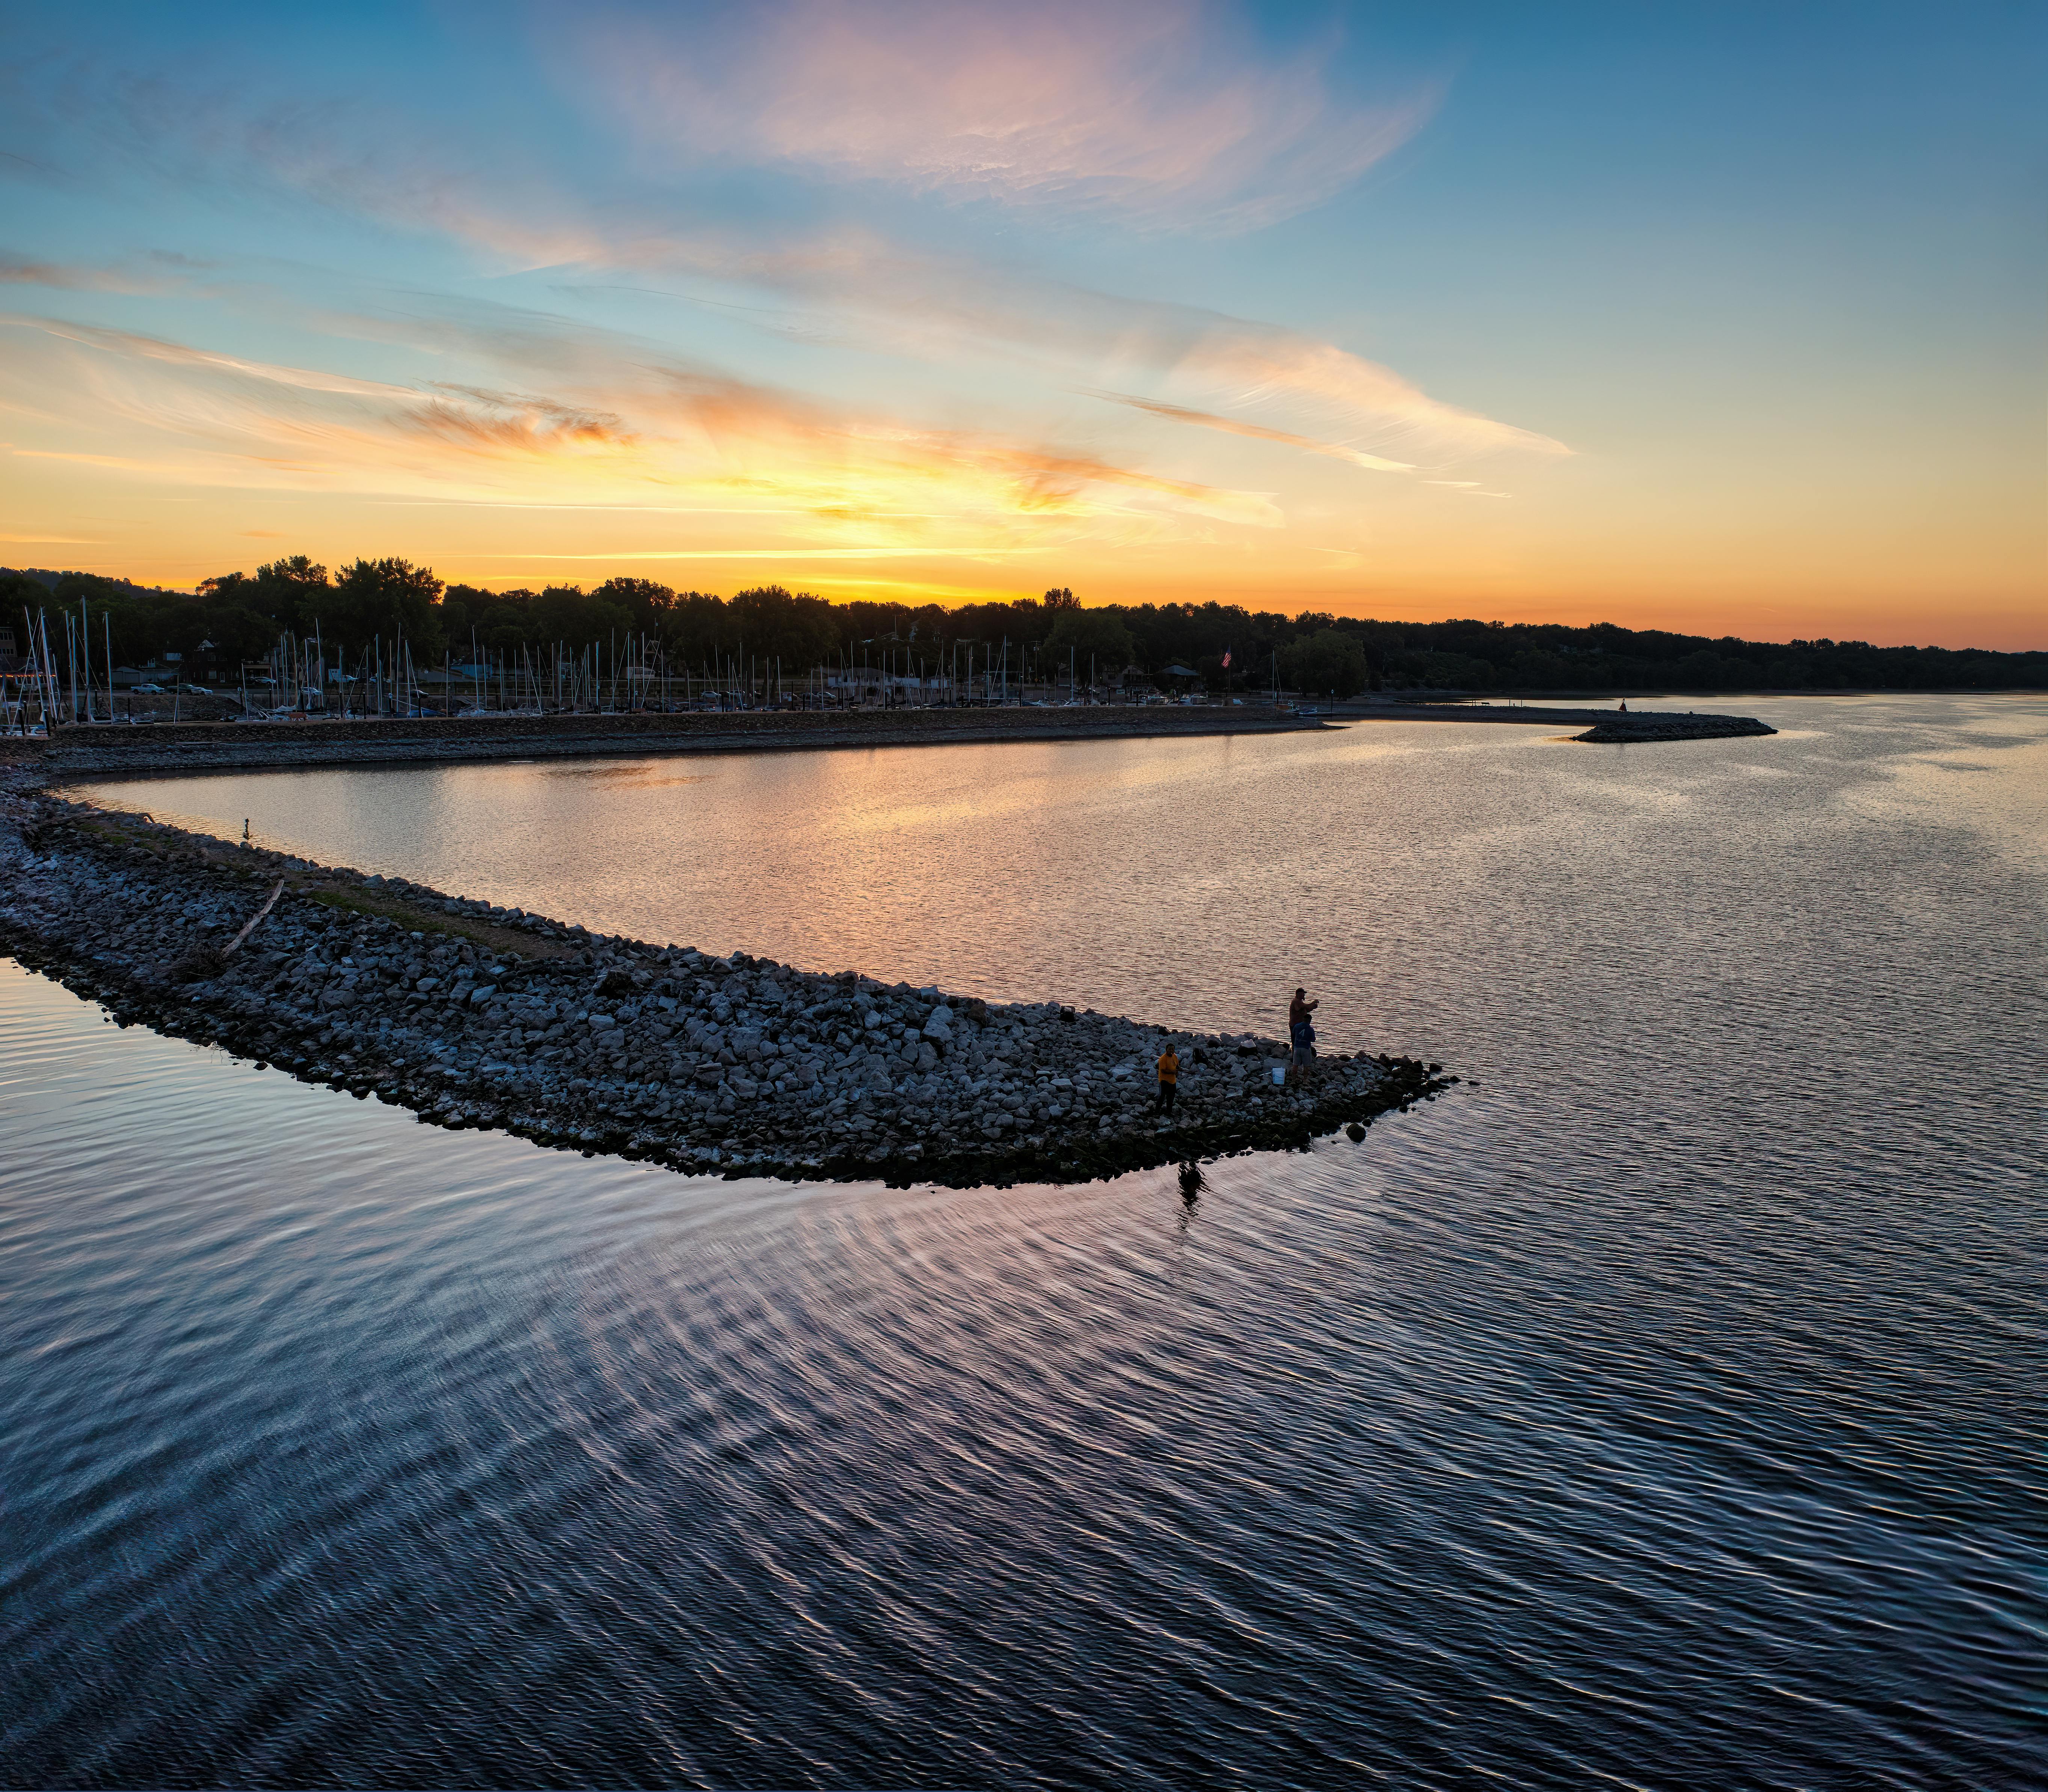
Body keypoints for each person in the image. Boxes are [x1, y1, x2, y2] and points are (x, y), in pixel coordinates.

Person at [1289, 987, 1319, 1076]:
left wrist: (1313, 1007)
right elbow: (1304, 1007)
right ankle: (1294, 1057)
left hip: (1302, 1025)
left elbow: (1307, 1009)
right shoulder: (1297, 1001)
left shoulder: (1300, 1002)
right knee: (1295, 1041)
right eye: (1302, 994)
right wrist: (1313, 1003)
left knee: (1301, 1039)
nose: (1303, 995)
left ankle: (1298, 1057)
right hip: (1296, 1025)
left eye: (1304, 994)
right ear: (1297, 994)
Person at [1155, 1041, 1180, 1115]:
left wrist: (1179, 1070)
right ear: (1167, 1050)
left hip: (1173, 1081)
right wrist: (1173, 1072)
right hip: (1164, 1080)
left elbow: (1177, 1067)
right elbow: (1163, 1070)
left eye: (1172, 1049)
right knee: (1162, 1097)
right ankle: (1157, 1112)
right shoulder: (1163, 1059)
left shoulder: (1175, 1057)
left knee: (1171, 1097)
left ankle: (1169, 1112)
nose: (1171, 1051)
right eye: (1170, 1049)